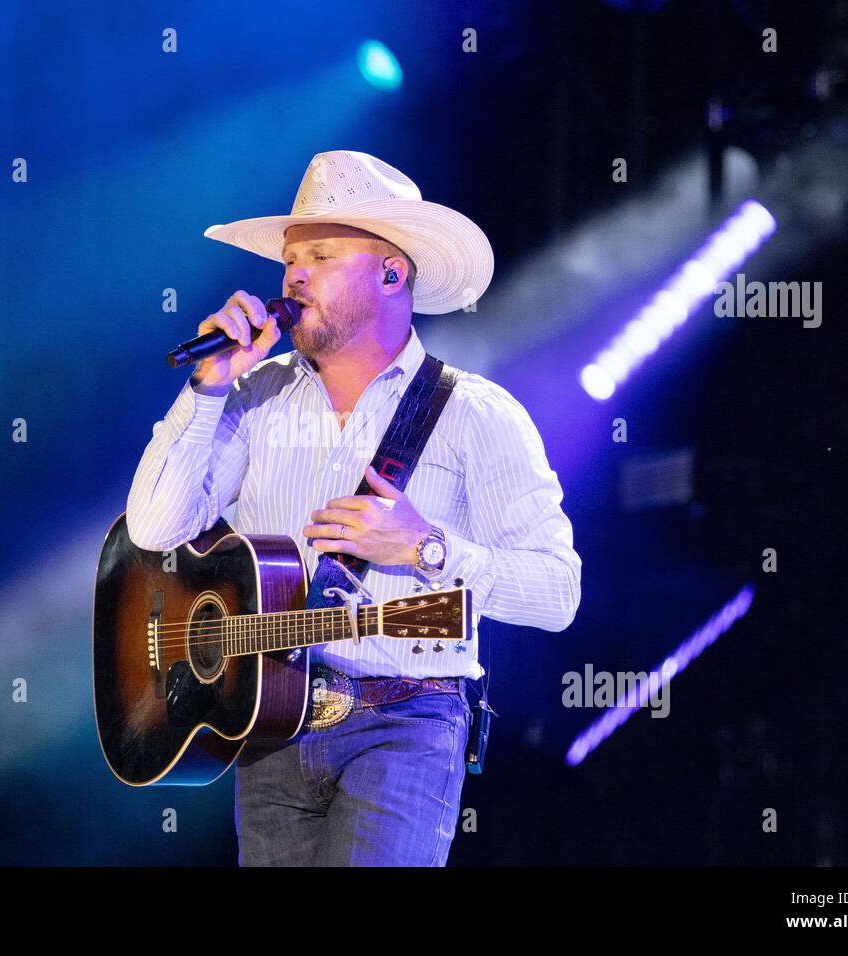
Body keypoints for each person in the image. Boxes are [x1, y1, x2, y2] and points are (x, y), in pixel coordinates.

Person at [126, 150, 581, 866]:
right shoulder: (251, 397)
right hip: (271, 724)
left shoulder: (477, 414)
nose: (294, 275)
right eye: (290, 260)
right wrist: (209, 385)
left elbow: (558, 592)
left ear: (391, 273)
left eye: (322, 255)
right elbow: (153, 528)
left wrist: (426, 549)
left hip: (405, 724)